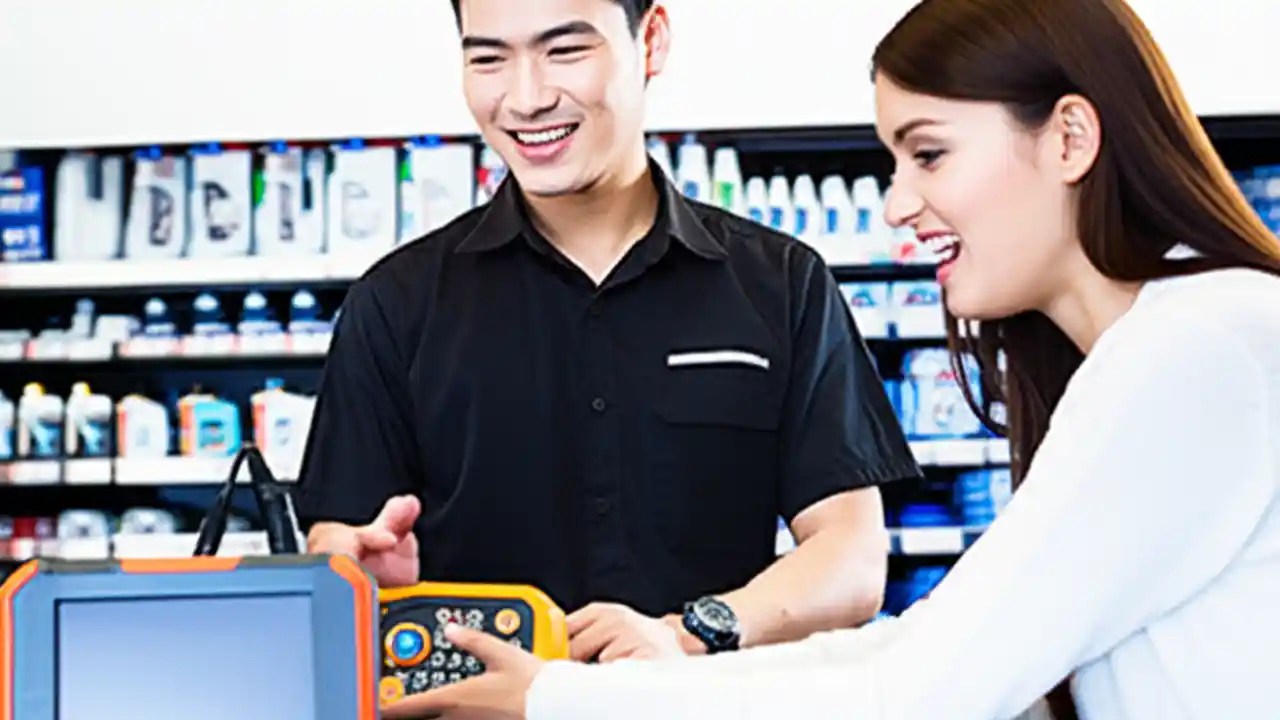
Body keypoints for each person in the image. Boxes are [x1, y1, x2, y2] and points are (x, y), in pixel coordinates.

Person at [379, 0, 1280, 718]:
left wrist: (568, 699)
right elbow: (923, 650)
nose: (898, 206)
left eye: (929, 154)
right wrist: (645, 677)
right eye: (487, 55)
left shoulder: (1195, 353)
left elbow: (915, 691)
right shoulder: (1183, 344)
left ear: (1070, 138)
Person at [296, 0, 920, 672]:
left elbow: (851, 559)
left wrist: (687, 633)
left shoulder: (782, 284)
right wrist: (361, 583)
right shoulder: (394, 303)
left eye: (565, 51)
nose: (526, 98)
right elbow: (340, 543)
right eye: (488, 58)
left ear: (650, 40)